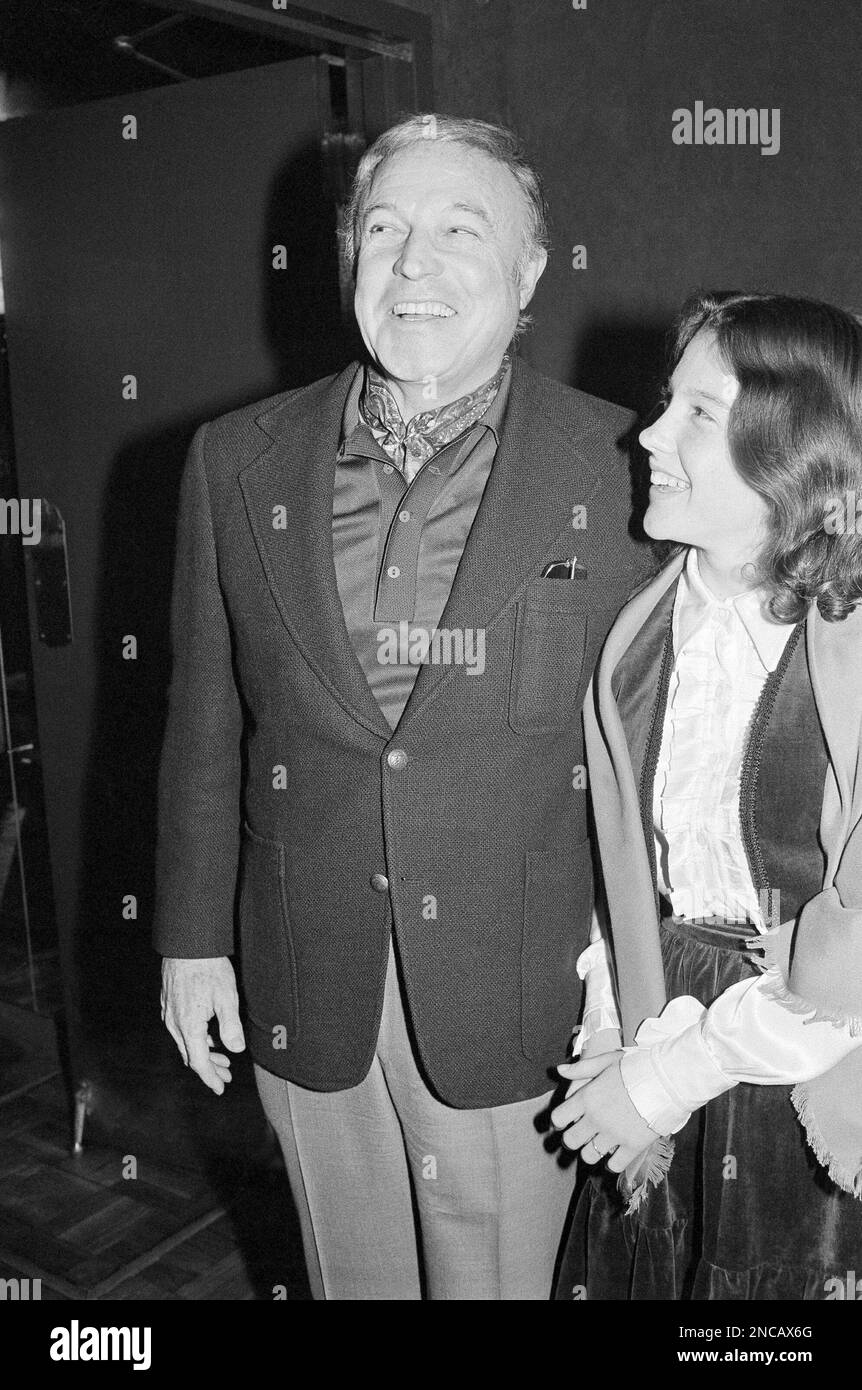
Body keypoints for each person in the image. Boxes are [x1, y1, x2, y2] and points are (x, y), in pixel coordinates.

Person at [153, 113, 651, 1300]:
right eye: (383, 230)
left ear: (530, 272)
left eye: (456, 230)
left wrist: (645, 991)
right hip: (303, 970)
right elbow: (204, 720)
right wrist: (188, 940)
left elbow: (663, 754)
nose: (411, 263)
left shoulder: (627, 469)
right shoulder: (235, 461)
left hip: (519, 992)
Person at [552, 290, 862, 1300]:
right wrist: (611, 1032)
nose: (645, 434)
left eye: (697, 411)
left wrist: (662, 1078)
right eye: (665, 403)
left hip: (793, 1071)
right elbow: (626, 876)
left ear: (797, 444)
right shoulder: (639, 637)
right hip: (662, 1024)